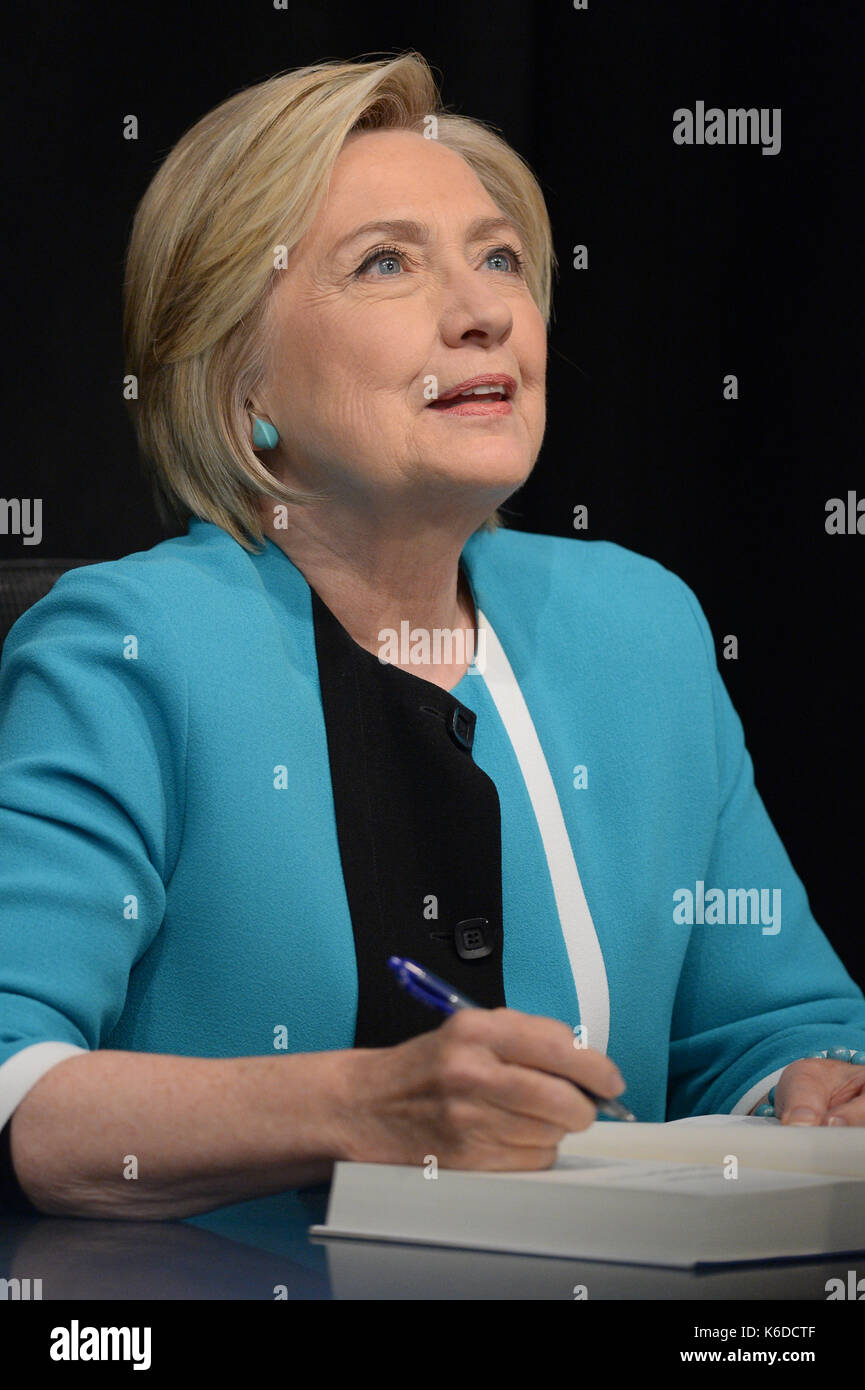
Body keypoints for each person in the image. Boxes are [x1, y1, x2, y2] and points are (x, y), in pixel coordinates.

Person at [1, 52, 864, 1224]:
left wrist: (806, 1096)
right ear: (241, 381)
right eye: (387, 263)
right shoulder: (132, 649)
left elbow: (770, 1026)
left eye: (499, 257)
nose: (485, 312)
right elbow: (18, 1090)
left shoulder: (637, 626)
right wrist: (361, 1107)